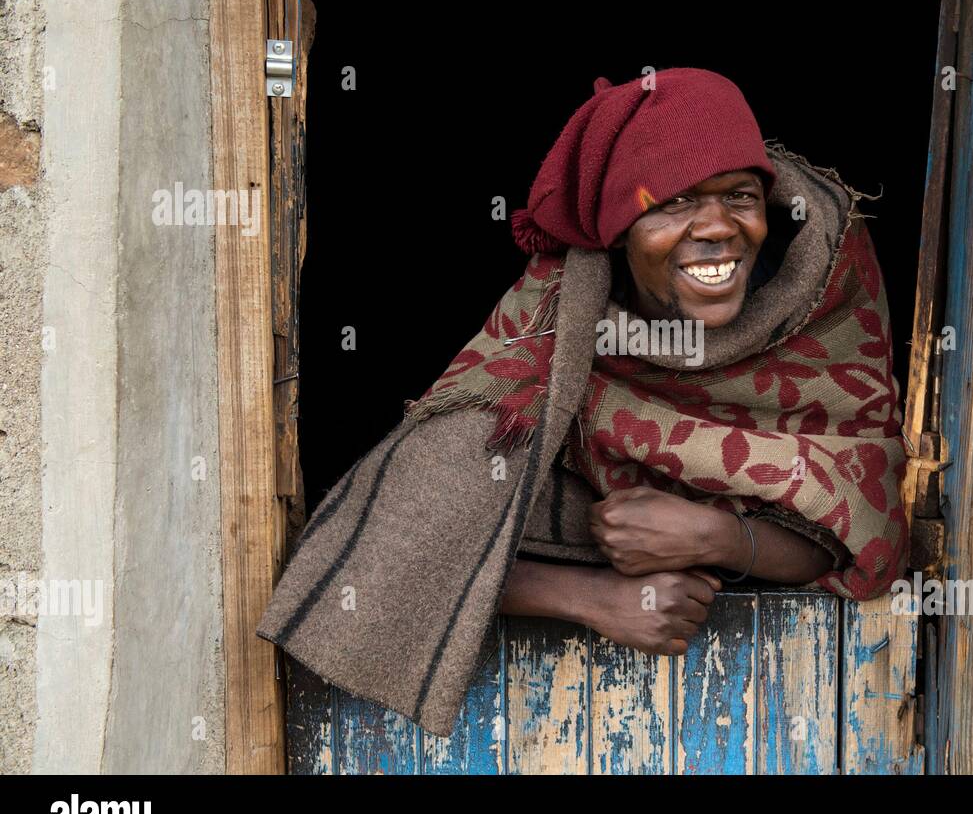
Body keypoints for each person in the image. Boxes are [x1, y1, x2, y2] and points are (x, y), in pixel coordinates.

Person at [257, 68, 909, 738]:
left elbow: (870, 516)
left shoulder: (829, 300)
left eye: (739, 196)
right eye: (675, 203)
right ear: (621, 233)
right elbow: (369, 557)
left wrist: (717, 536)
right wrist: (591, 598)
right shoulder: (544, 348)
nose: (718, 227)